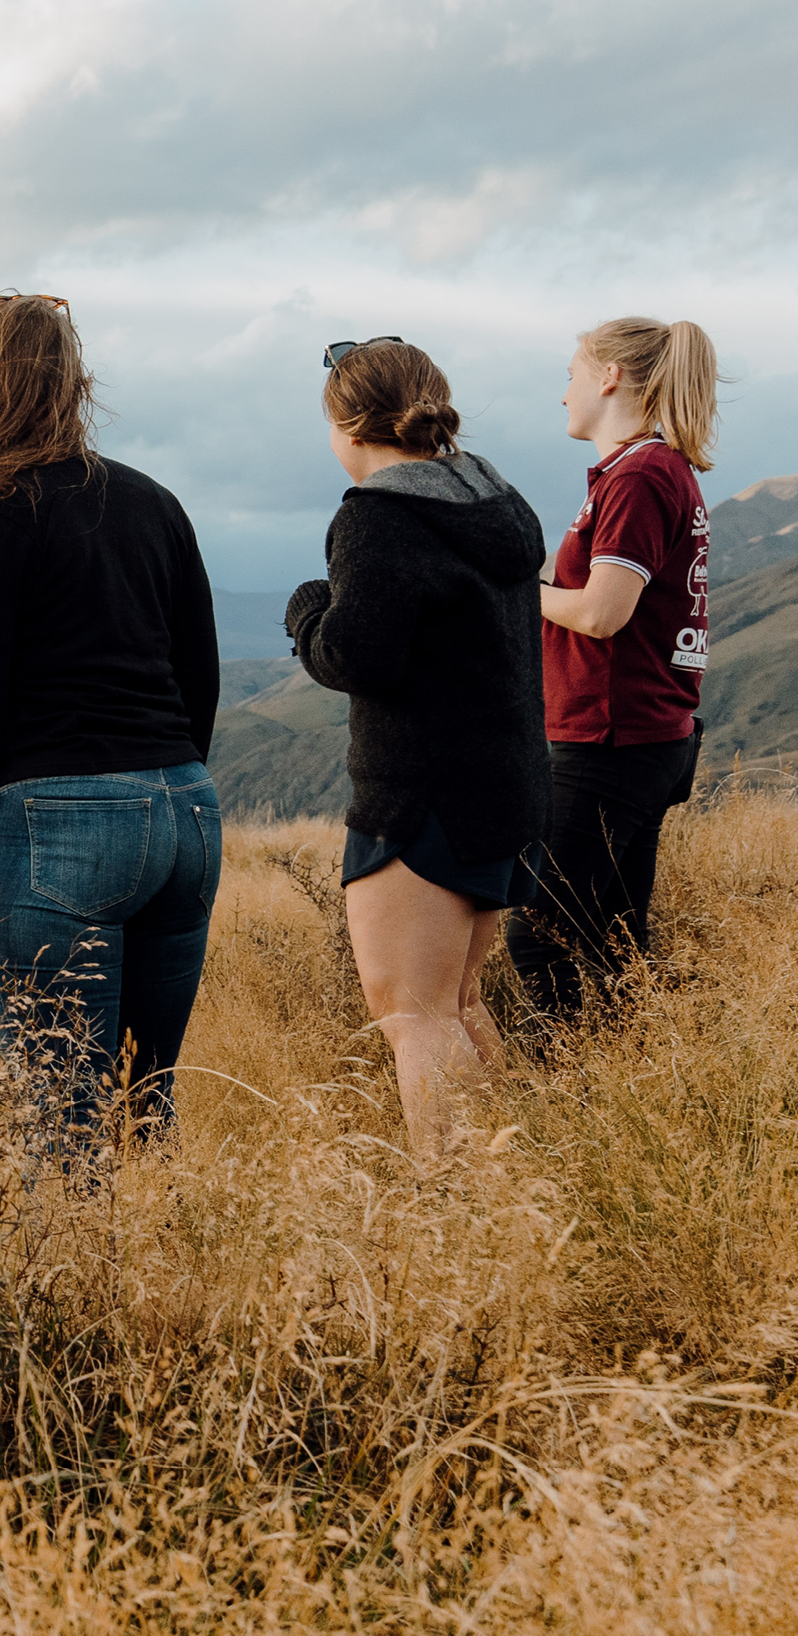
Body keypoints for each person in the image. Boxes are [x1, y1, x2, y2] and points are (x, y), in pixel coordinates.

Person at [0, 292, 220, 1153]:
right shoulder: (154, 501)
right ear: (74, 382)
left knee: (62, 1128)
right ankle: (165, 1239)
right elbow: (201, 676)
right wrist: (162, 795)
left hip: (60, 825)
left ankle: (88, 1249)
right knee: (144, 1103)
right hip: (185, 811)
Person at [284, 337, 550, 1162]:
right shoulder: (497, 502)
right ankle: (506, 1193)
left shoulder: (377, 515)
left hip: (419, 797)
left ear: (347, 426)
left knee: (414, 1016)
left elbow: (357, 657)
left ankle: (454, 1205)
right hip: (504, 788)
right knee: (458, 1004)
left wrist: (306, 612)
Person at [506, 317, 721, 1021]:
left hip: (610, 738)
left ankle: (563, 1080)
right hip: (640, 735)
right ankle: (634, 1070)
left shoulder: (639, 476)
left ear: (609, 377)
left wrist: (511, 593)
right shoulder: (650, 469)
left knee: (538, 935)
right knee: (614, 943)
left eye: (571, 374)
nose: (563, 393)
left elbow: (602, 614)